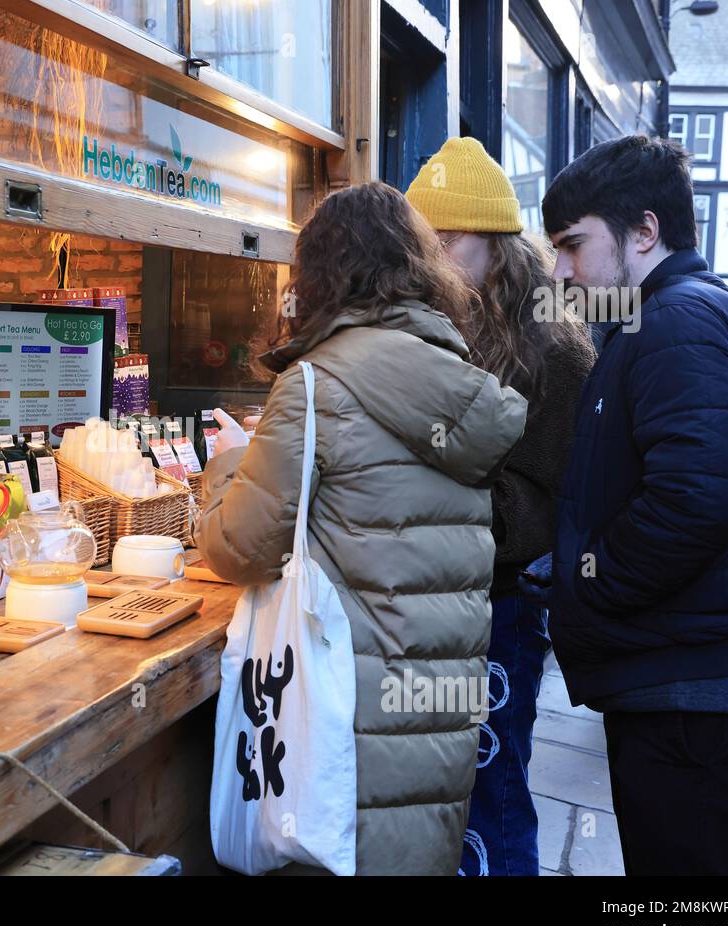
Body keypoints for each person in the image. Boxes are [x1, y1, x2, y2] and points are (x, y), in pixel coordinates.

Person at [194, 181, 528, 875]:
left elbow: (242, 545)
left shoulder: (316, 383)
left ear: (317, 275)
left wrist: (226, 465)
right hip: (434, 719)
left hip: (346, 721)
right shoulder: (456, 374)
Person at [541, 135, 728, 875]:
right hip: (700, 692)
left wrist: (589, 578)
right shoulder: (675, 315)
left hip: (697, 706)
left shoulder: (675, 321)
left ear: (644, 232)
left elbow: (699, 498)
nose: (559, 271)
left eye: (573, 245)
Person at [406, 137, 596, 876]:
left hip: (506, 607)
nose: (436, 258)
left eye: (448, 240)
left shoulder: (553, 344)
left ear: (494, 241)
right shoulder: (436, 318)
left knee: (496, 786)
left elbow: (567, 496)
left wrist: (466, 501)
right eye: (427, 243)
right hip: (437, 599)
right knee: (445, 791)